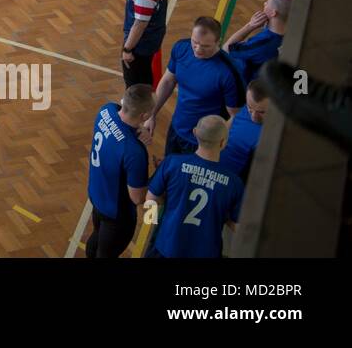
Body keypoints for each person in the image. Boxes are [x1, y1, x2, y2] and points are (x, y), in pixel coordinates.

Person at [145, 115, 245, 258]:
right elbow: (239, 228)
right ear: (223, 143)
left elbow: (150, 200)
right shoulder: (234, 183)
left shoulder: (172, 163)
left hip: (166, 248)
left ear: (194, 133)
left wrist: (153, 226)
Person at [144, 17, 245, 156]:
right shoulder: (181, 48)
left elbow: (236, 116)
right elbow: (168, 81)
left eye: (205, 46)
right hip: (177, 128)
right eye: (195, 42)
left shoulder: (229, 73)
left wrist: (212, 144)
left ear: (218, 42)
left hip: (202, 143)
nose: (198, 49)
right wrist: (152, 115)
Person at [84, 84, 154, 258]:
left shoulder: (105, 111)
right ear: (144, 116)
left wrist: (138, 130)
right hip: (116, 213)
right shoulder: (134, 152)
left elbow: (121, 117)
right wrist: (160, 175)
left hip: (97, 195)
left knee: (96, 240)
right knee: (106, 253)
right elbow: (137, 197)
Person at [223, 0, 288, 85]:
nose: (264, 3)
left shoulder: (263, 43)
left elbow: (226, 49)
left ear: (273, 13)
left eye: (267, 2)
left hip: (253, 87)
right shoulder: (292, 36)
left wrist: (249, 26)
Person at [220, 80, 268, 181]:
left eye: (262, 112)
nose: (253, 116)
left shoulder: (272, 135)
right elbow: (232, 120)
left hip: (233, 180)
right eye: (249, 108)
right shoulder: (250, 106)